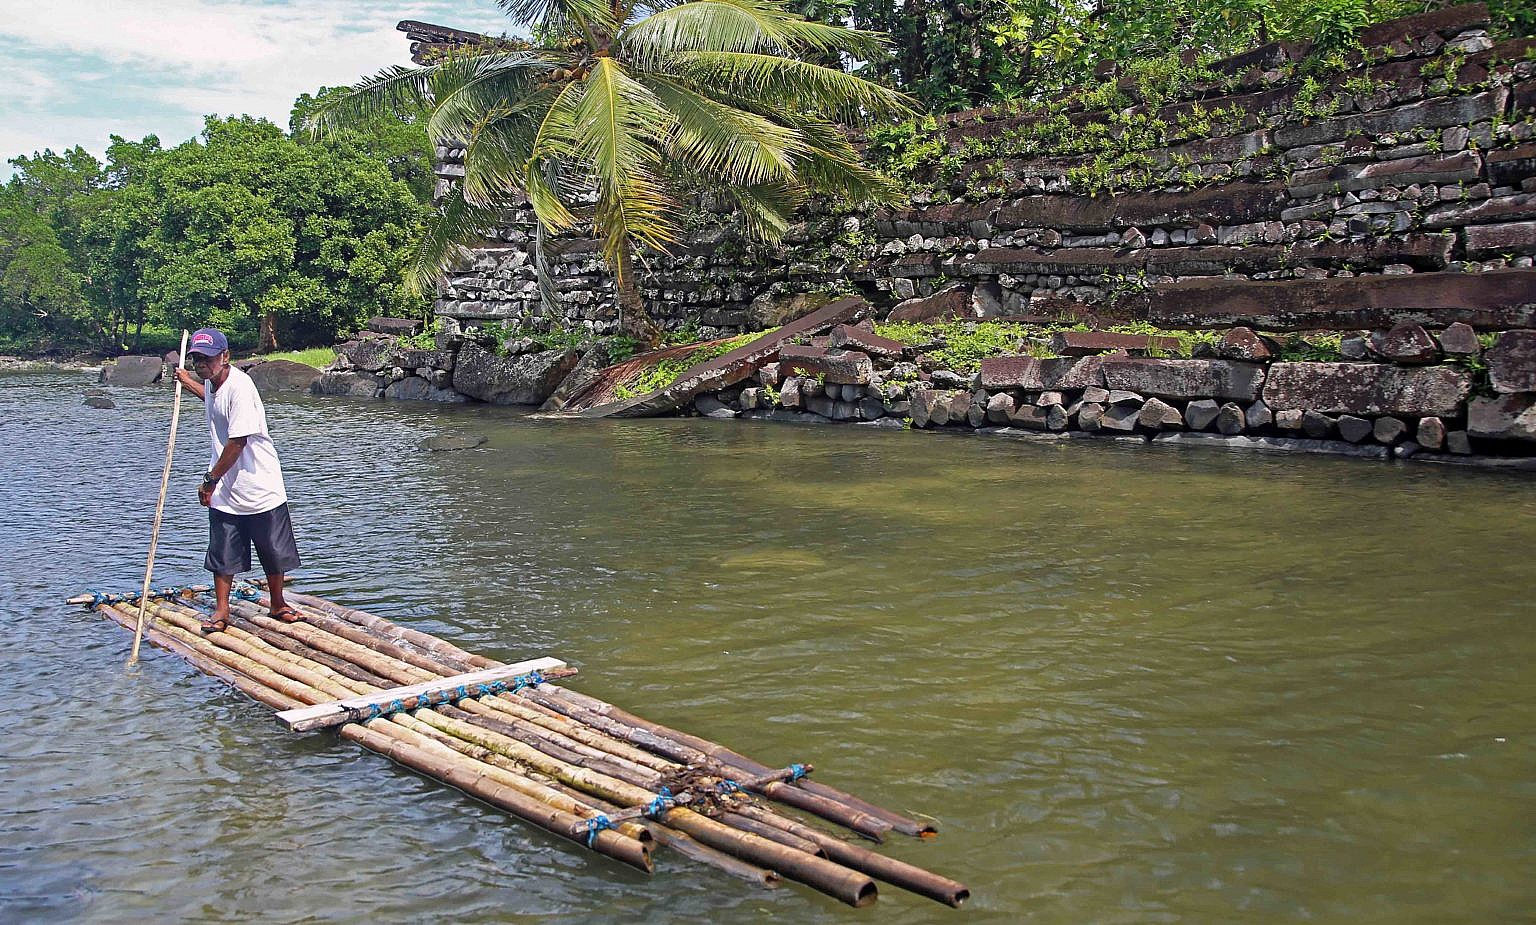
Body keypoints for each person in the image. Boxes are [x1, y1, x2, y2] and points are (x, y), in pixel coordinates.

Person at [173, 328, 302, 633]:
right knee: (223, 549)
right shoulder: (212, 383)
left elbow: (237, 442)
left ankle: (278, 603)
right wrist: (188, 382)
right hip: (226, 486)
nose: (202, 364)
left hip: (258, 483)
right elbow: (213, 402)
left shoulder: (241, 387)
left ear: (225, 357)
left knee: (272, 549)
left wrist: (209, 481)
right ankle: (221, 610)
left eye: (208, 358)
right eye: (197, 359)